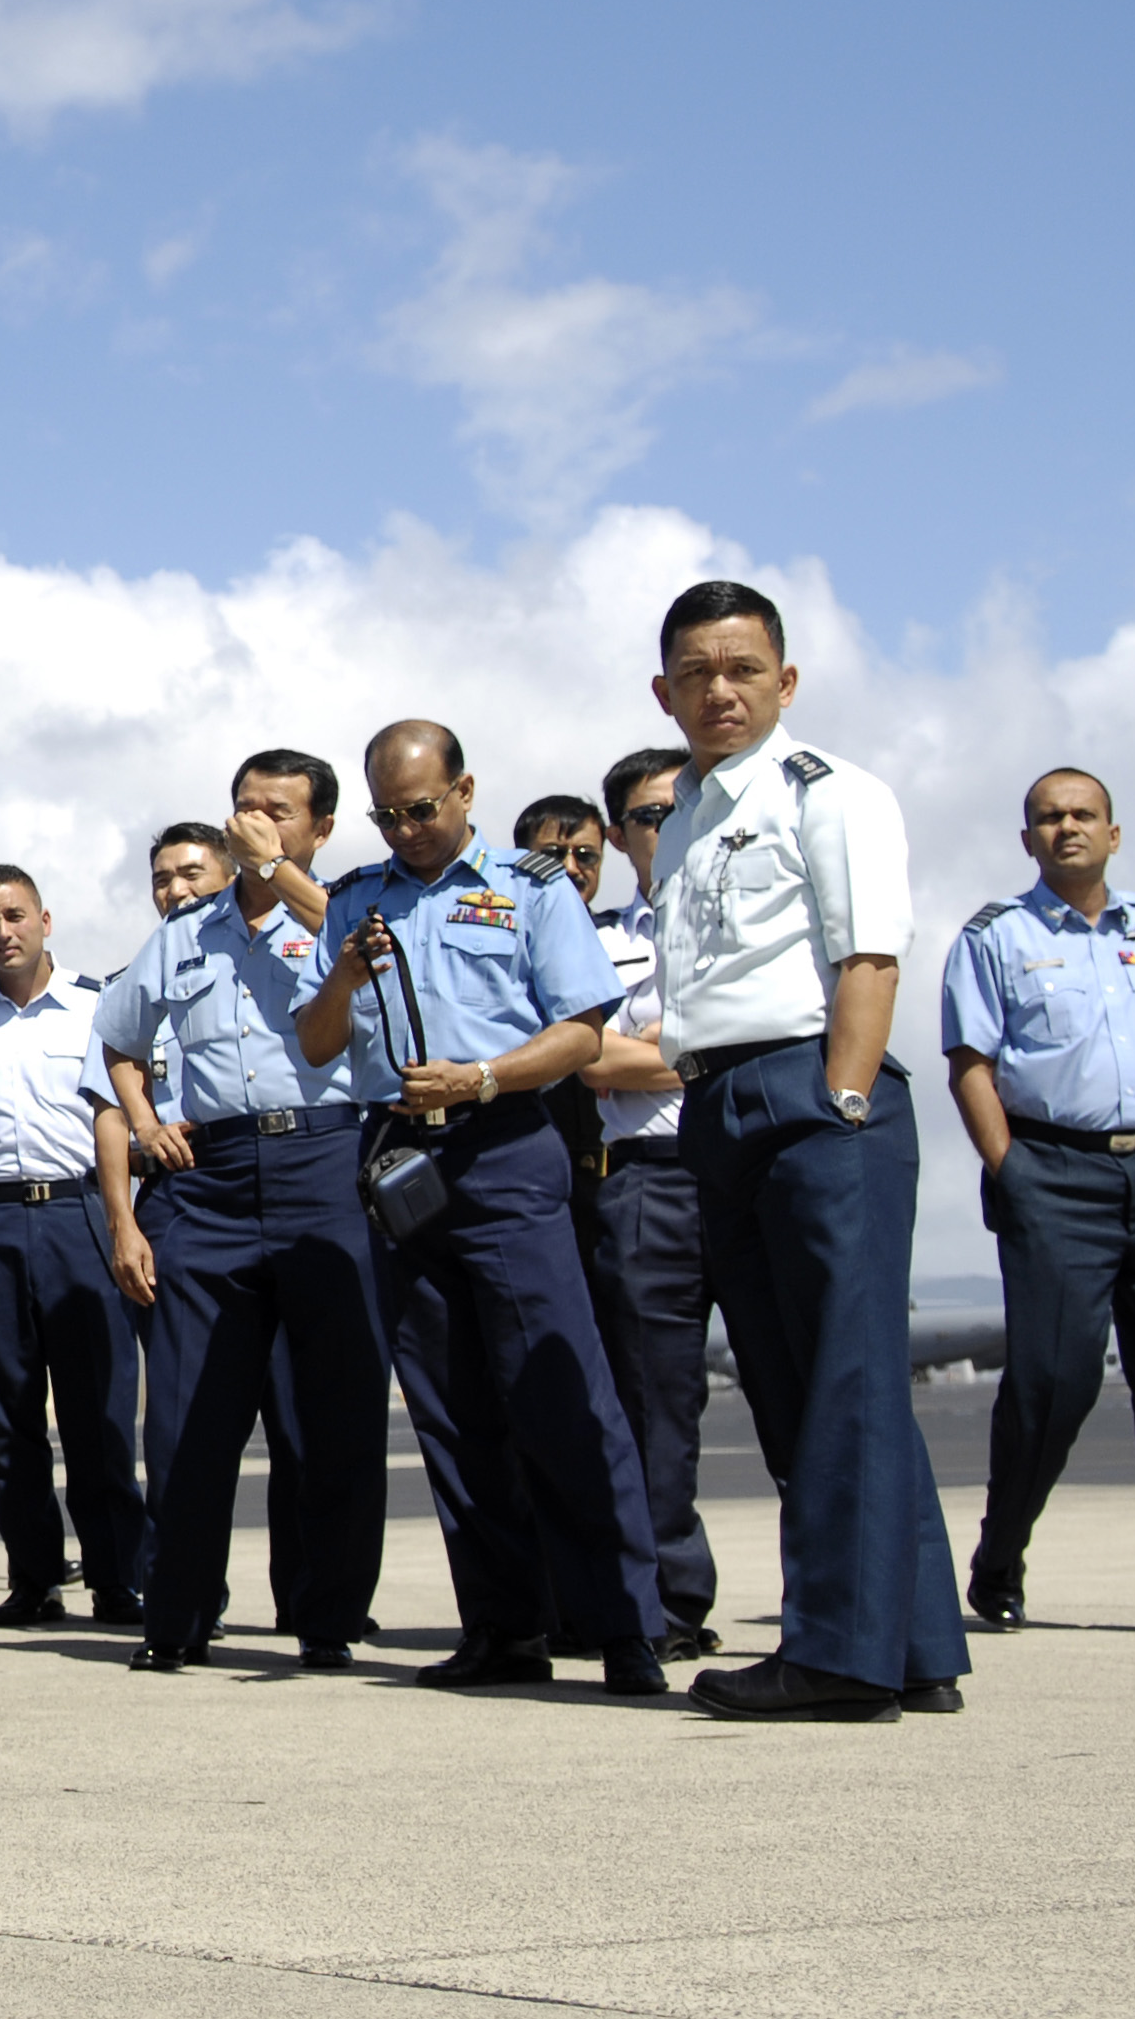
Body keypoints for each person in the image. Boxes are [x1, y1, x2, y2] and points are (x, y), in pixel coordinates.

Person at [647, 579, 970, 1723]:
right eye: (698, 674)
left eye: (743, 670)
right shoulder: (679, 816)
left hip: (811, 1090)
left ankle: (835, 1655)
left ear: (786, 681)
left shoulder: (829, 793)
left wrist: (839, 1103)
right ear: (665, 691)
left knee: (843, 1376)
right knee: (799, 1388)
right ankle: (915, 1645)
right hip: (719, 1095)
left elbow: (869, 958)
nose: (720, 691)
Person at [297, 720, 665, 1698]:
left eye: (421, 808)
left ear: (465, 792)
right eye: (387, 815)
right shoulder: (354, 902)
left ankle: (625, 1626)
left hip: (503, 1151)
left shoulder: (531, 890)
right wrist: (343, 974)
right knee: (451, 1404)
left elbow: (583, 1032)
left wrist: (484, 1079)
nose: (406, 829)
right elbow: (318, 1045)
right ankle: (503, 1629)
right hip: (400, 1161)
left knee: (558, 1391)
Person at [946, 769, 1135, 1638]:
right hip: (1052, 1171)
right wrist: (1008, 1166)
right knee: (1054, 1380)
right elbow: (968, 1060)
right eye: (1048, 818)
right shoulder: (994, 937)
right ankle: (1000, 1552)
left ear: (1112, 834)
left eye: (1083, 815)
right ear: (1027, 841)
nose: (1066, 828)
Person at [95, 767, 380, 1670]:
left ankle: (325, 1617)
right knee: (184, 1415)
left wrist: (282, 881)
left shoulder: (346, 914)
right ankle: (175, 1616)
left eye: (276, 812)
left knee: (329, 1411)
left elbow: (387, 982)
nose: (253, 824)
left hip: (322, 1159)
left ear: (318, 827)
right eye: (244, 807)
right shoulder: (185, 934)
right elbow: (120, 1036)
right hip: (212, 1177)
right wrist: (143, 1122)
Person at [0, 866, 146, 1662]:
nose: (2, 932)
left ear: (46, 920)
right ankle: (33, 1574)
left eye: (15, 916)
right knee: (6, 1416)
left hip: (80, 1215)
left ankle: (116, 1574)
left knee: (99, 1408)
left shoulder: (99, 1006)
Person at [568, 751, 724, 1663]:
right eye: (647, 814)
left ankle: (840, 1603)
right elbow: (591, 1058)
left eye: (683, 804)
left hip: (750, 1163)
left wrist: (660, 1044)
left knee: (798, 1392)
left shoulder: (762, 920)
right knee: (653, 1407)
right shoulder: (593, 940)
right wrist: (717, 1037)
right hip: (644, 1174)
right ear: (619, 832)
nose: (666, 825)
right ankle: (667, 1601)